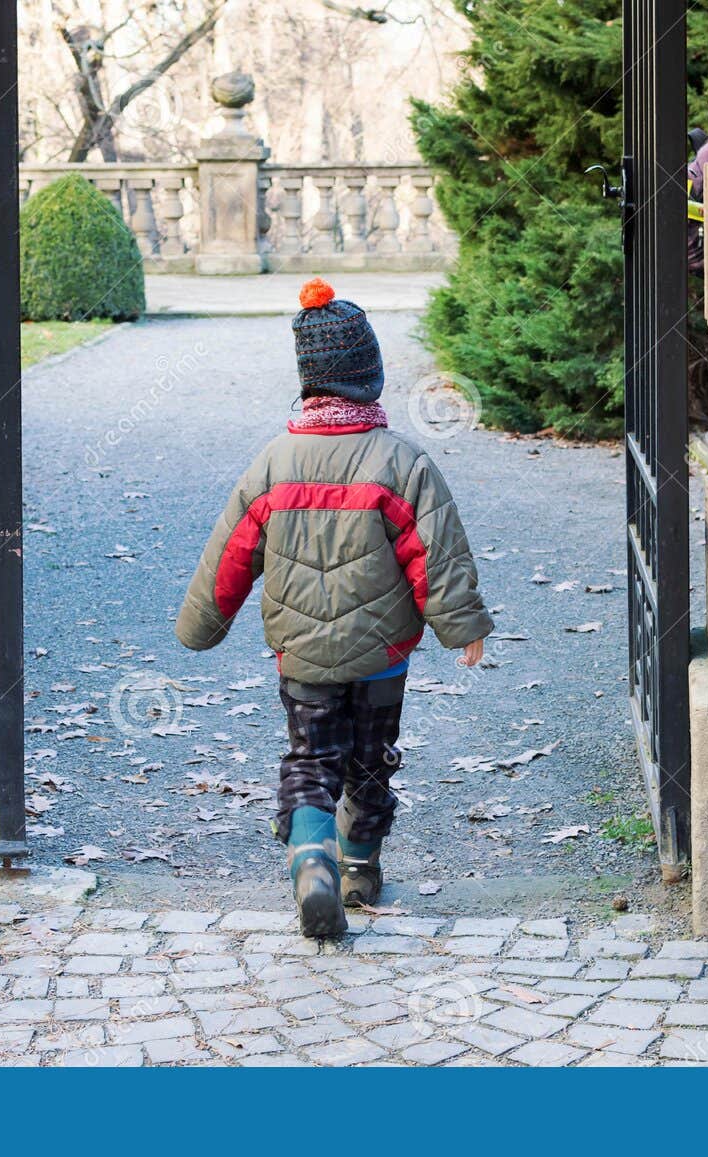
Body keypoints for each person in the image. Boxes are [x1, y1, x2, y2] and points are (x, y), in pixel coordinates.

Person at [175, 278, 493, 937]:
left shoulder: (272, 464)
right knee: (371, 761)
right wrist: (461, 628)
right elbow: (436, 552)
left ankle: (311, 858)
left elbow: (231, 551)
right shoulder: (401, 462)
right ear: (369, 380)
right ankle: (358, 865)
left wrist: (201, 624)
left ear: (309, 383)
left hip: (304, 657)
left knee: (309, 758)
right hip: (380, 661)